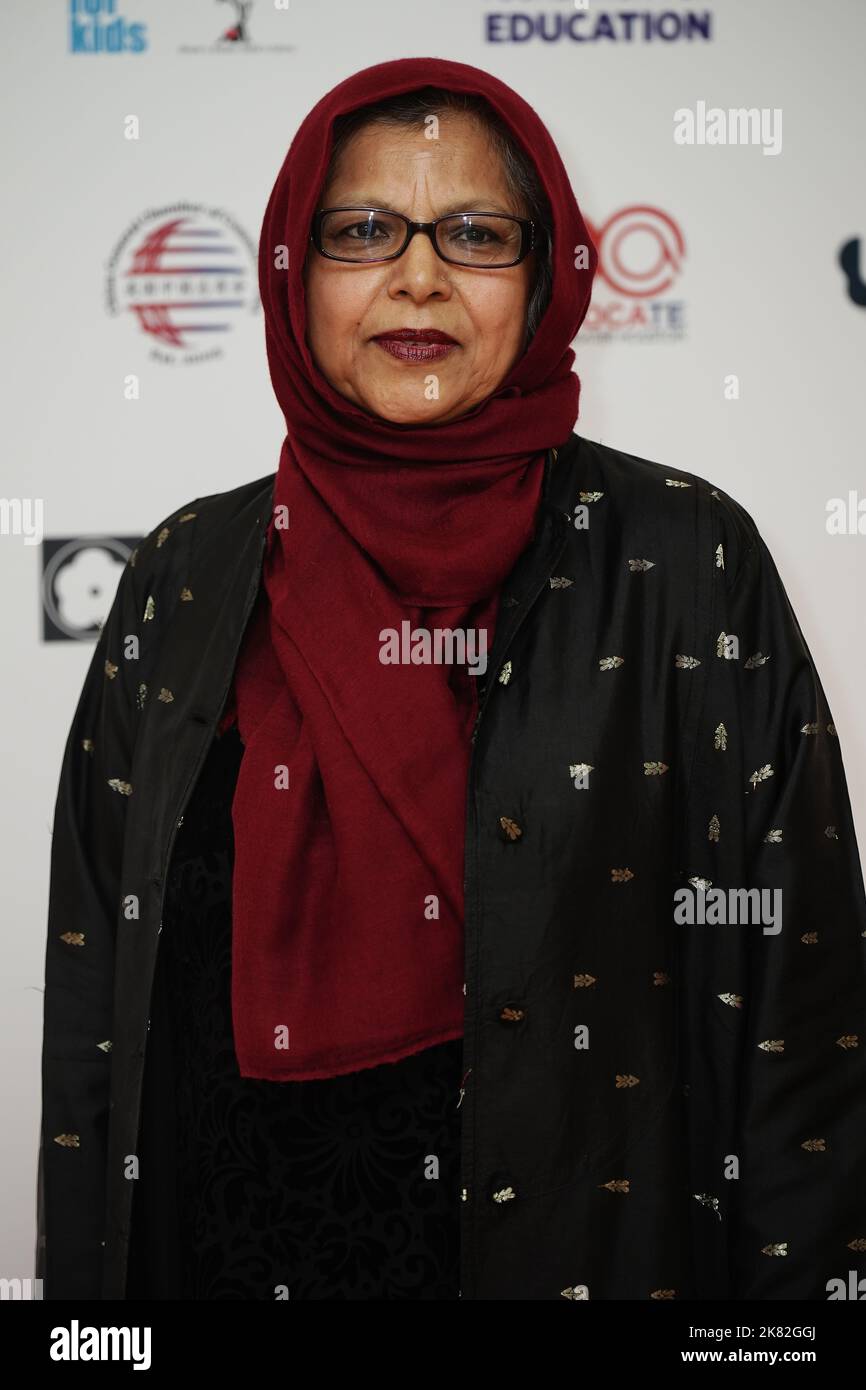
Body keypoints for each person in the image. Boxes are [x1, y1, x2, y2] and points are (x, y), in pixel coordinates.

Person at [38, 57, 866, 1302]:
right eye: (363, 229)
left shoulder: (683, 560)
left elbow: (800, 1032)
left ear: (544, 278)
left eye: (474, 233)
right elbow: (95, 1026)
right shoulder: (186, 577)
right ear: (290, 271)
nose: (416, 275)